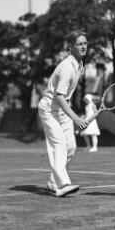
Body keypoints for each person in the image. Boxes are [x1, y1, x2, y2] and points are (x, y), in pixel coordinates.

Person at [37, 29, 89, 197]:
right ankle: (62, 184)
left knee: (71, 147)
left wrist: (74, 115)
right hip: (49, 109)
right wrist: (76, 118)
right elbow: (59, 97)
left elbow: (66, 96)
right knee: (59, 144)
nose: (83, 46)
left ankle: (53, 182)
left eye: (85, 43)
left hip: (62, 108)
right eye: (79, 44)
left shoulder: (80, 65)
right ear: (70, 47)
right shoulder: (66, 67)